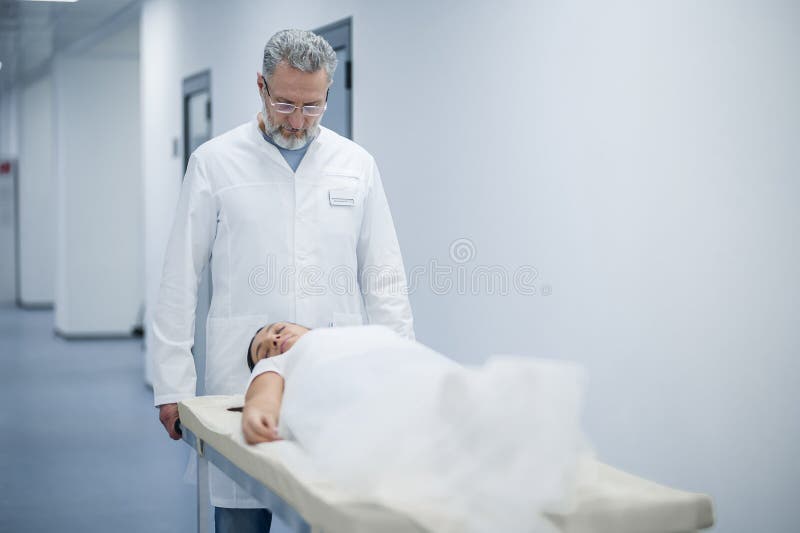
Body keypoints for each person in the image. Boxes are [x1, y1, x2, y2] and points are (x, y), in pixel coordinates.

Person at [151, 29, 414, 533]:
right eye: (285, 103)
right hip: (242, 368)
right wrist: (172, 383)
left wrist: (396, 375)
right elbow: (179, 276)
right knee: (240, 515)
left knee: (332, 509)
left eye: (313, 107)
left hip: (335, 368)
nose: (298, 122)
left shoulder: (356, 165)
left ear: (329, 92)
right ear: (260, 86)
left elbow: (385, 278)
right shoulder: (215, 162)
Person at [241, 324, 588, 533]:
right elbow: (265, 391)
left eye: (278, 327)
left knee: (428, 380)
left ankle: (475, 410)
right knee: (378, 407)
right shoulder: (282, 361)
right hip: (341, 381)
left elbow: (406, 352)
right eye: (262, 347)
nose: (273, 338)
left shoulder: (351, 333)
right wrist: (259, 411)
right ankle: (451, 430)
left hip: (398, 362)